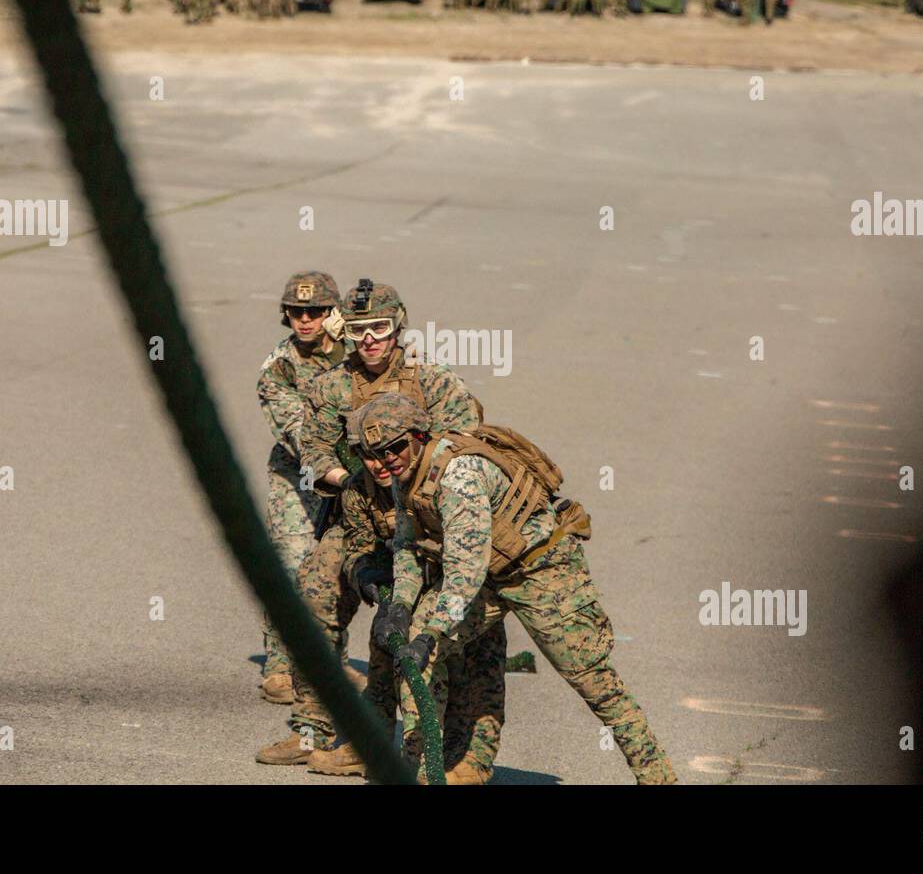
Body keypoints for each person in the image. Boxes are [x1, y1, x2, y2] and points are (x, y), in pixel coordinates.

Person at [355, 393, 677, 784]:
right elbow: (406, 546)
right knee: (415, 660)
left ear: (419, 437)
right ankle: (423, 769)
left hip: (541, 571)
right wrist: (402, 607)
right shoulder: (403, 477)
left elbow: (463, 572)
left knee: (593, 681)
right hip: (488, 575)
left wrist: (432, 632)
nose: (383, 461)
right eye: (372, 454)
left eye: (393, 448)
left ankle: (658, 777)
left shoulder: (458, 477)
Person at [256, 280, 500, 775]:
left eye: (380, 329)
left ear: (398, 327)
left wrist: (414, 486)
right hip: (359, 519)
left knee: (414, 631)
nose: (370, 341)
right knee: (315, 597)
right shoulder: (331, 386)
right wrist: (352, 481)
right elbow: (316, 450)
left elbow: (470, 442)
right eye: (360, 329)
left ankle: (424, 749)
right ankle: (314, 728)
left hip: (429, 525)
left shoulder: (433, 381)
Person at [254, 273, 355, 703]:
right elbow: (301, 434)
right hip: (300, 476)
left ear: (333, 314)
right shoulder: (278, 368)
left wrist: (348, 342)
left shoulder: (355, 352)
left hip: (352, 473)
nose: (306, 320)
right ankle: (280, 667)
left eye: (316, 312)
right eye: (298, 312)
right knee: (294, 565)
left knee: (338, 570)